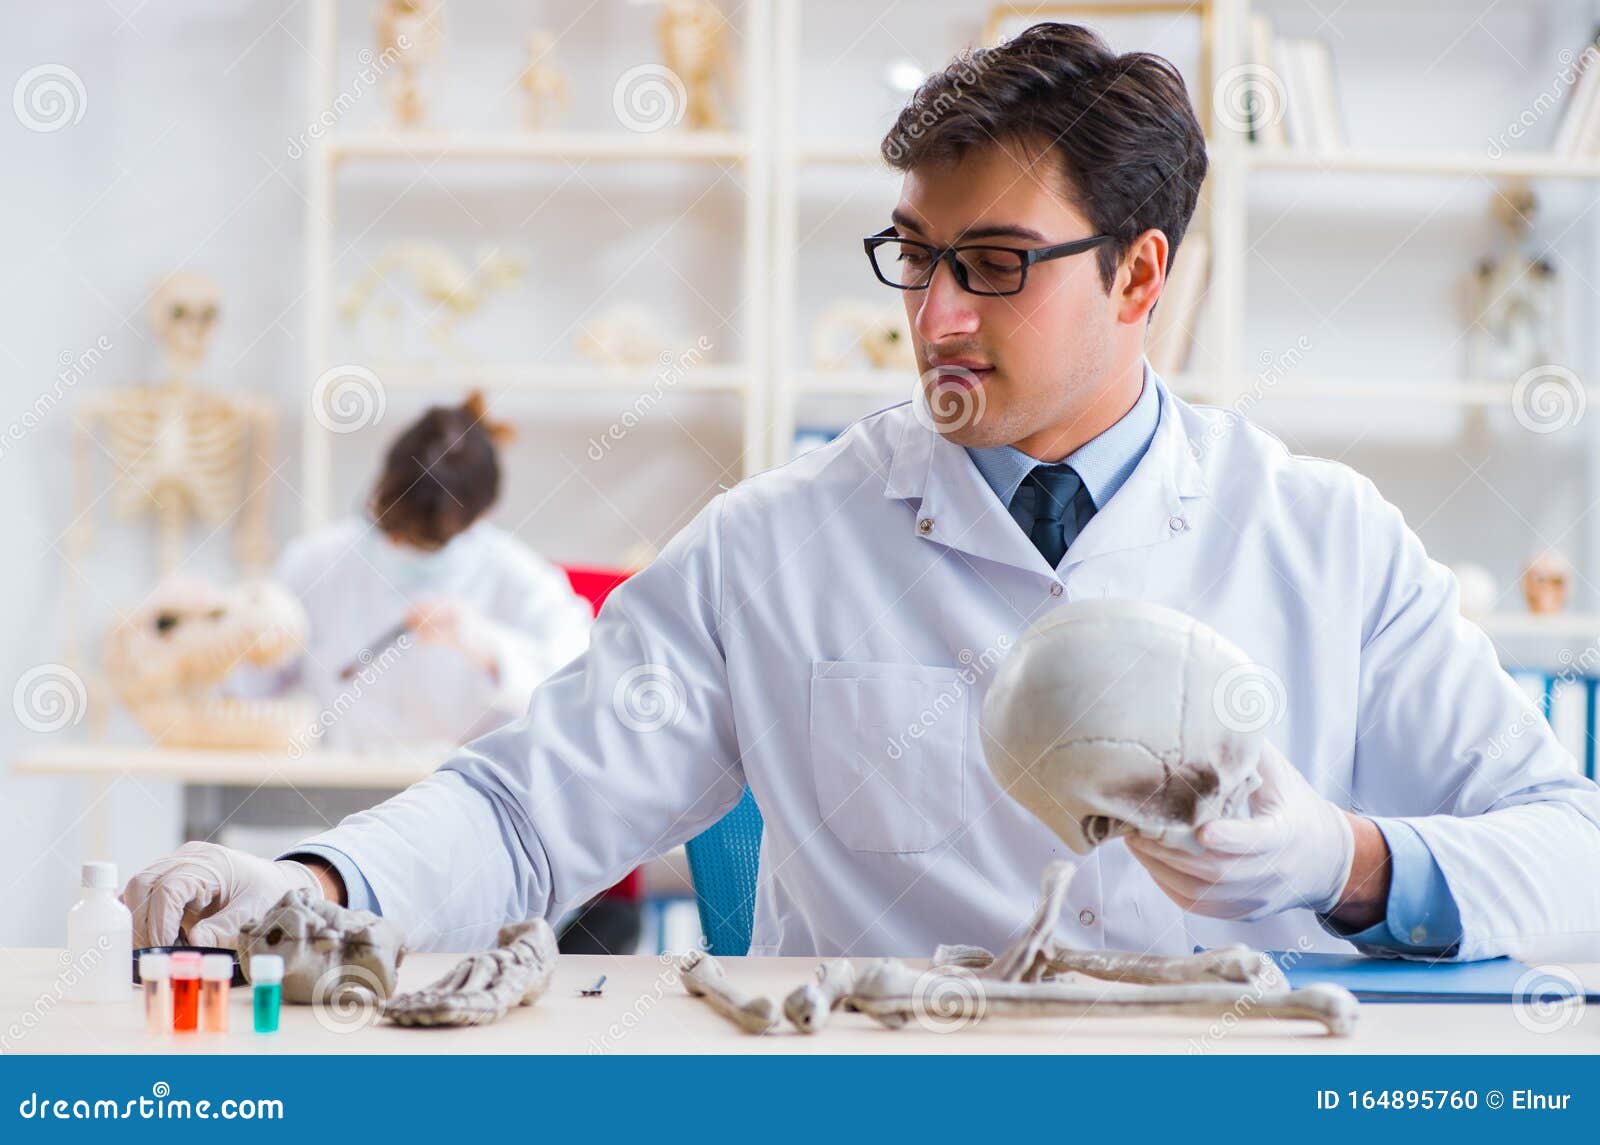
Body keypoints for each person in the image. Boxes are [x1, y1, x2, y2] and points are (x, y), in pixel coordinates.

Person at [124, 24, 1600, 963]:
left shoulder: (1323, 541)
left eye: (997, 265)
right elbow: (525, 816)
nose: (939, 316)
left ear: (1143, 272)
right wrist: (317, 878)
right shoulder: (781, 544)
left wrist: (1345, 858)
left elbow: (1570, 851)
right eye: (918, 257)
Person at [228, 391, 594, 753]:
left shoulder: (519, 577)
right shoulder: (314, 562)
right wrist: (214, 627)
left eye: (423, 541)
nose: (398, 546)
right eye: (389, 526)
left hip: (459, 799)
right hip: (334, 788)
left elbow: (579, 687)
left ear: (482, 517)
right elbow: (243, 687)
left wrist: (489, 647)